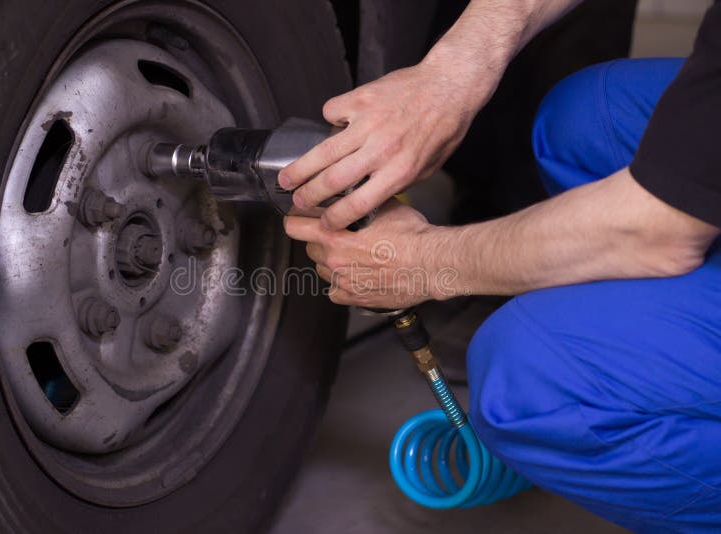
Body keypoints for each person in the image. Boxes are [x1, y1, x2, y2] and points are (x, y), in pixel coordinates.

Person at [281, 0, 721, 531]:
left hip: (663, 229)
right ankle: (645, 341)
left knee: (529, 386)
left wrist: (422, 262)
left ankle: (627, 379)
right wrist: (453, 71)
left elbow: (658, 229)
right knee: (585, 119)